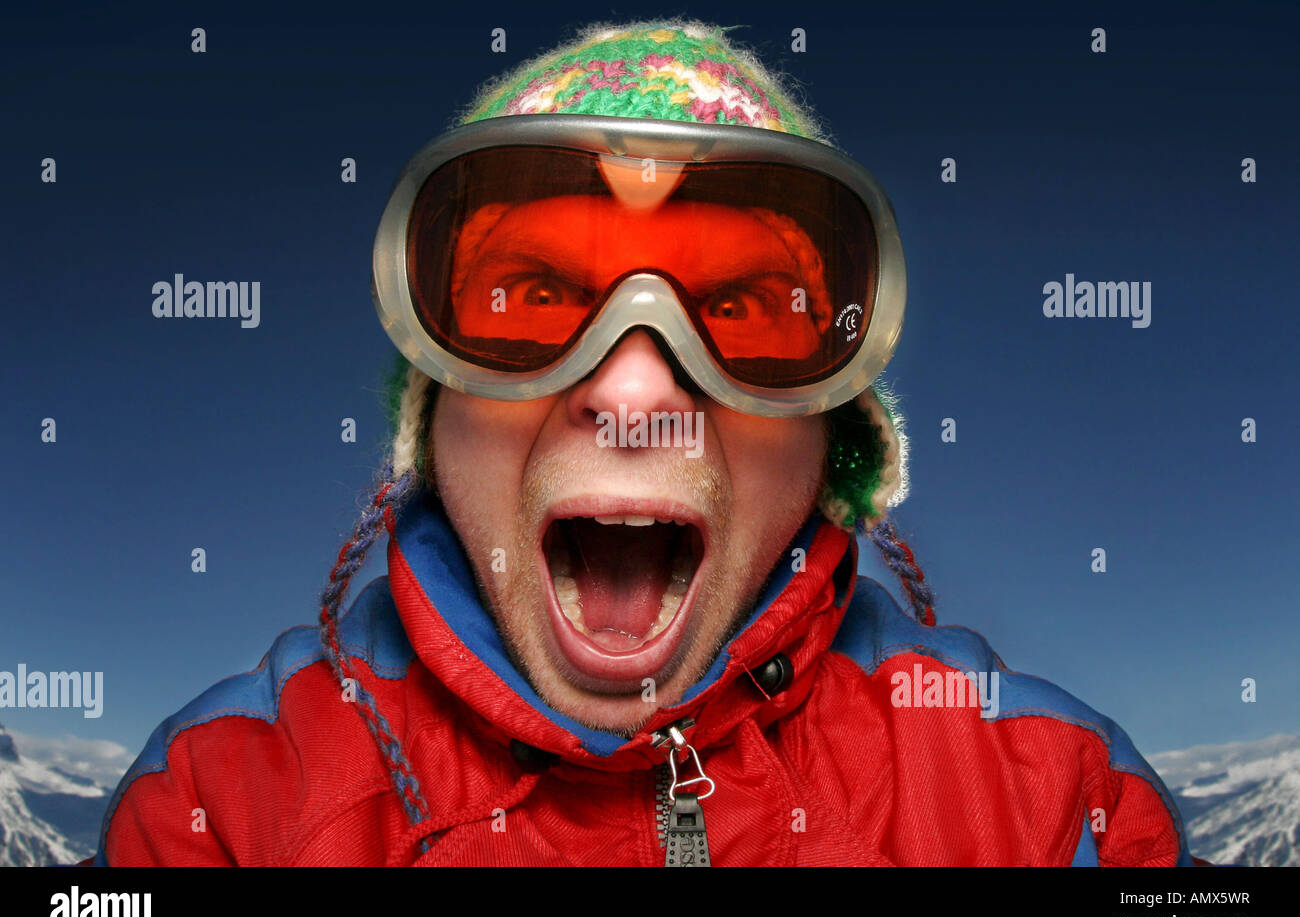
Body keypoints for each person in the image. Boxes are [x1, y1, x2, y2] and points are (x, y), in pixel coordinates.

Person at [96, 21, 1193, 866]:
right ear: (433, 416)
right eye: (528, 296)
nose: (631, 392)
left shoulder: (1051, 798)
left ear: (831, 442)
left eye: (747, 310)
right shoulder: (223, 805)